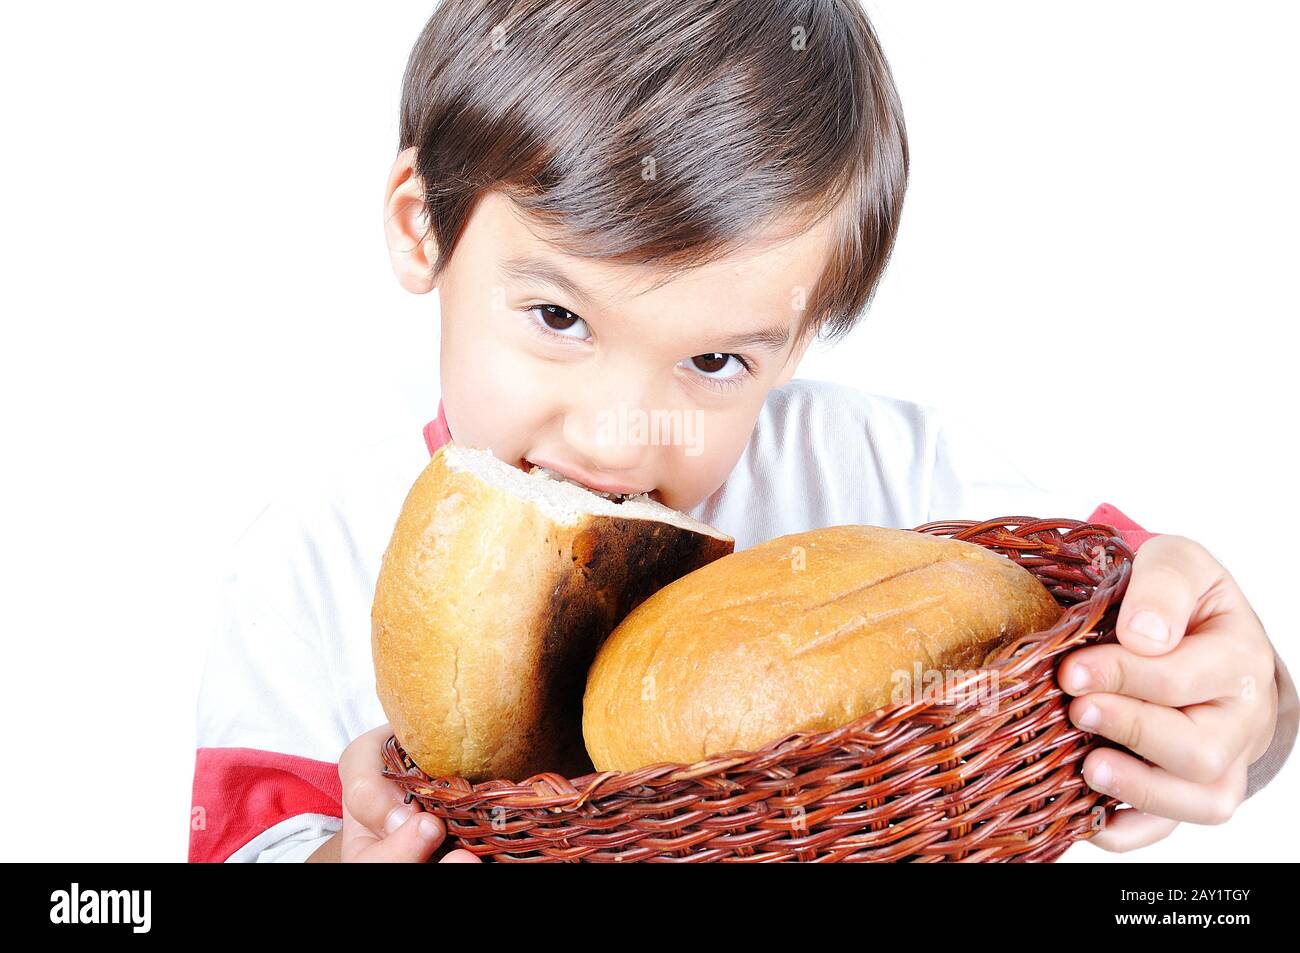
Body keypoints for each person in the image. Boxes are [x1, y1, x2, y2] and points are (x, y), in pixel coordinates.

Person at [189, 0, 1297, 862]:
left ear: (801, 335)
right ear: (420, 227)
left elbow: (1198, 670)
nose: (620, 439)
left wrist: (1238, 712)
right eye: (559, 317)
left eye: (715, 360)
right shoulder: (317, 557)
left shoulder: (902, 484)